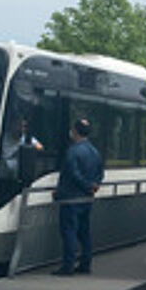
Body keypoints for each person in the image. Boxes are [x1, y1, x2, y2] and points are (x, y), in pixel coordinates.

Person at [53, 117, 103, 276]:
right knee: (84, 232)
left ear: (75, 131)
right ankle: (85, 263)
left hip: (70, 198)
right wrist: (93, 186)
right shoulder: (94, 152)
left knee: (69, 232)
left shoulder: (72, 151)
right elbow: (101, 173)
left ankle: (68, 266)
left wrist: (59, 192)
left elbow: (73, 174)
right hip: (87, 199)